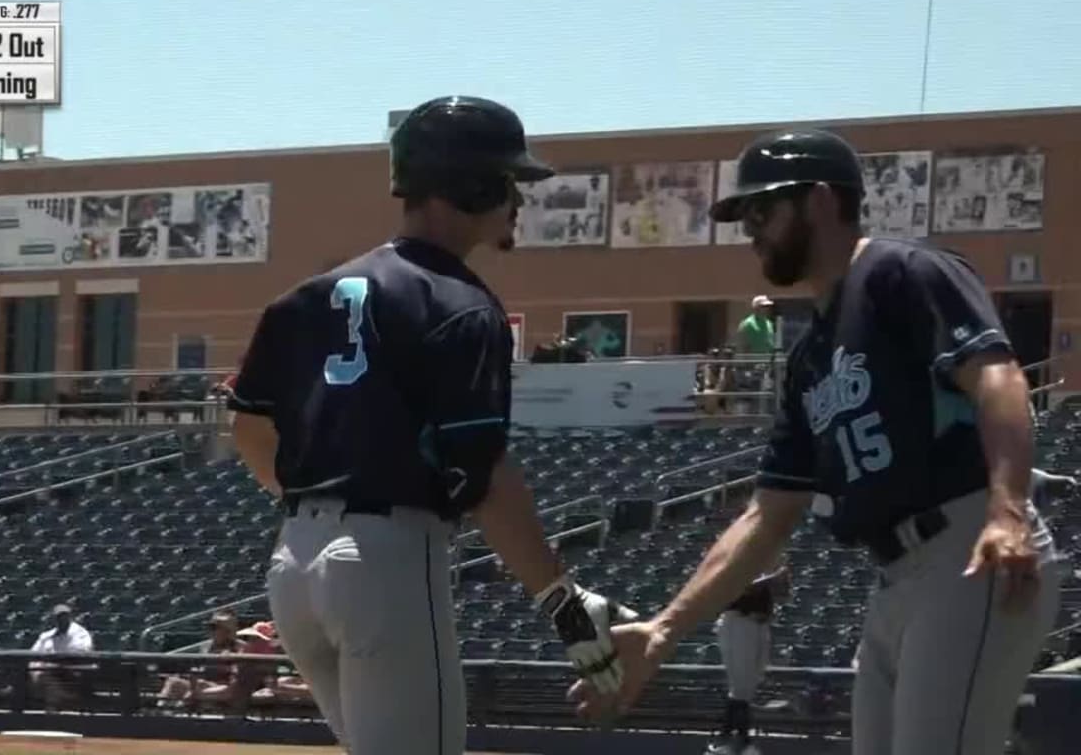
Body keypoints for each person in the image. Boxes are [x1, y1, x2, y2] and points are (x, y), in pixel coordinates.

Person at [572, 128, 1065, 755]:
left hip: (971, 549)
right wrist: (666, 630)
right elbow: (767, 514)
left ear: (824, 201)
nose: (749, 228)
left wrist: (1009, 509)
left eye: (762, 209)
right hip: (896, 578)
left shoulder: (899, 271)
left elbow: (998, 376)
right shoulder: (809, 357)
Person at [226, 95, 628, 755]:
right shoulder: (461, 305)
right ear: (468, 182)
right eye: (507, 182)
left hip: (293, 565)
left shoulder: (303, 296)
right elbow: (484, 475)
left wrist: (323, 512)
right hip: (386, 561)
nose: (517, 199)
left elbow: (247, 430)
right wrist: (559, 598)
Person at [707, 565, 789, 755]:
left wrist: (782, 581)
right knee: (741, 685)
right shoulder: (738, 560)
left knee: (748, 686)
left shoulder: (767, 562)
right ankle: (737, 741)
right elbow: (738, 588)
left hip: (760, 625)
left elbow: (783, 595)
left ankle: (728, 739)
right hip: (737, 622)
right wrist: (772, 578)